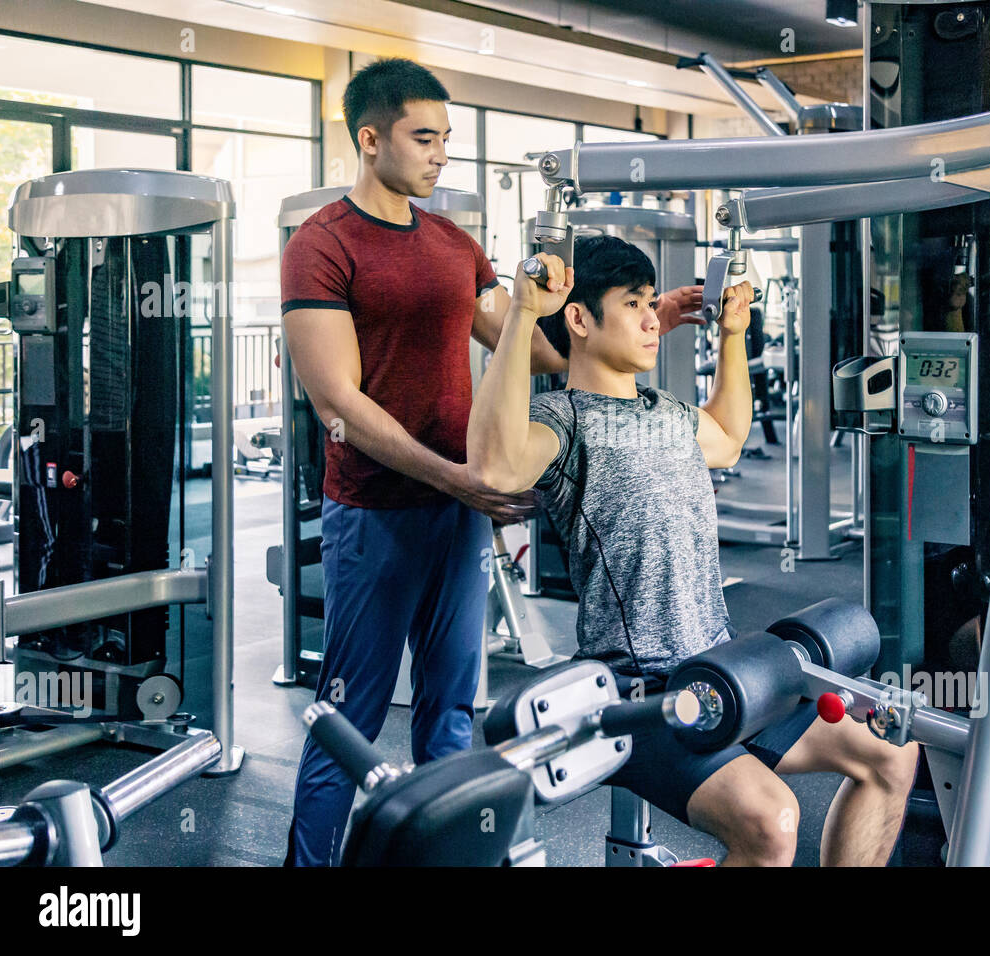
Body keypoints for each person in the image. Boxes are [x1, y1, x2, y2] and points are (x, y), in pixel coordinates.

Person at [279, 57, 705, 866]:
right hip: (373, 512)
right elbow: (338, 402)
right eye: (425, 137)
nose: (442, 154)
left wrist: (651, 323)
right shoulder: (322, 246)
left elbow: (540, 348)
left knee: (450, 712)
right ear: (370, 140)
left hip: (459, 509)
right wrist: (454, 479)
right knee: (349, 717)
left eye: (447, 138)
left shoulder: (450, 243)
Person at [466, 236, 919, 866]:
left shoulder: (669, 413)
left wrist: (733, 334)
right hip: (642, 695)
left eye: (652, 301)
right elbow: (493, 466)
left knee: (892, 752)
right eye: (633, 304)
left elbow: (731, 437)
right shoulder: (563, 421)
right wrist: (519, 313)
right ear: (579, 319)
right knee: (772, 820)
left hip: (726, 673)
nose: (655, 319)